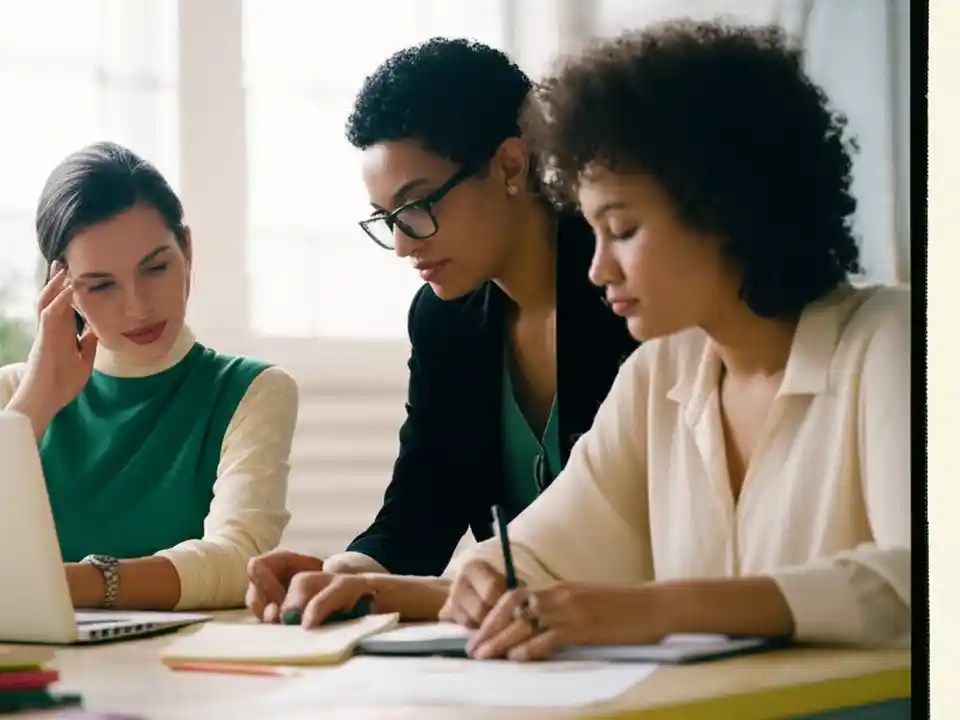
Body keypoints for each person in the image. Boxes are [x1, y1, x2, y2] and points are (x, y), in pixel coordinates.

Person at [265, 18, 911, 651]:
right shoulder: (659, 372)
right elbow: (540, 554)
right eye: (595, 231)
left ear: (728, 206)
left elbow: (919, 576)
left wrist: (656, 608)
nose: (599, 268)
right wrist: (372, 587)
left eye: (623, 230)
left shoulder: (895, 343)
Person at [245, 38, 637, 623]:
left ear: (510, 165)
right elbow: (423, 504)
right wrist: (345, 573)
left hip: (627, 626)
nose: (403, 243)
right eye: (386, 219)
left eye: (418, 205)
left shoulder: (627, 289)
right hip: (516, 647)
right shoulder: (443, 318)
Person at [0, 141, 299, 611]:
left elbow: (239, 559)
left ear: (187, 248)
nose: (137, 306)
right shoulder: (11, 395)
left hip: (186, 671)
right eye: (101, 285)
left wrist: (71, 584)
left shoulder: (252, 391)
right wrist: (35, 407)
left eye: (157, 268)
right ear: (62, 288)